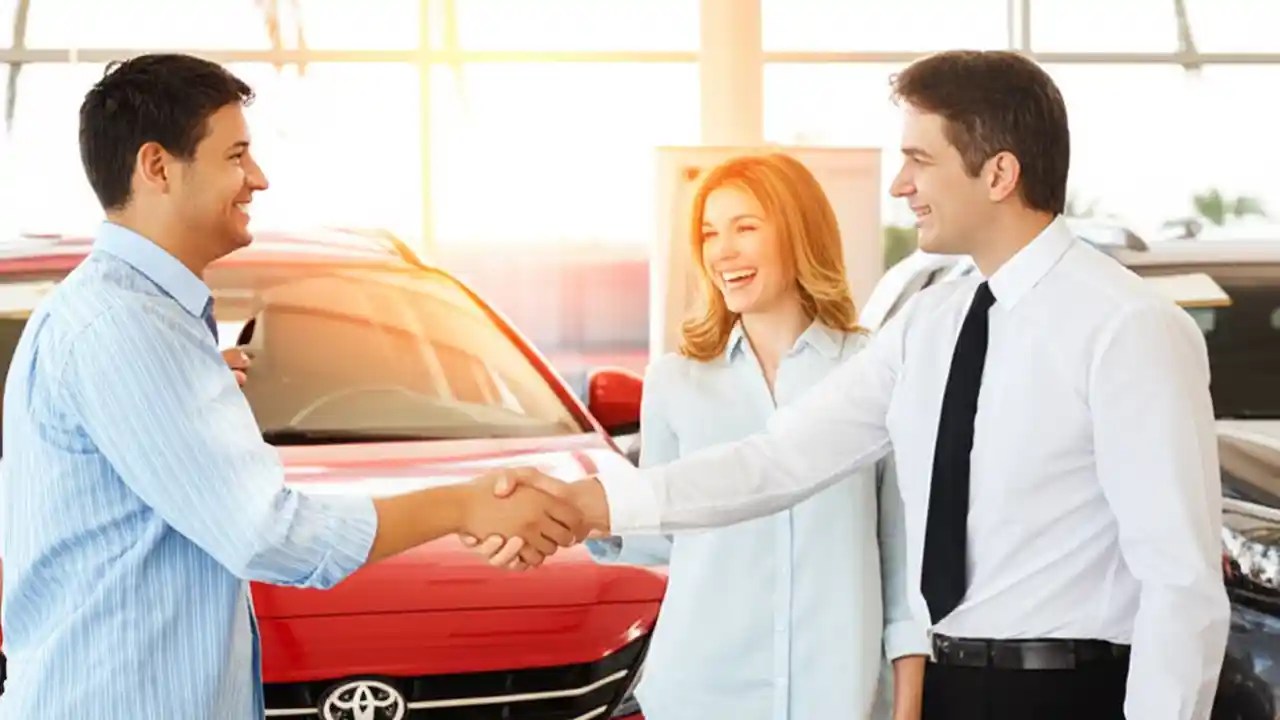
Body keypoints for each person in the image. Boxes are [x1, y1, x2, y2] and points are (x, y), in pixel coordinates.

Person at [479, 50, 1230, 720]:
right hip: (954, 686)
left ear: (999, 172)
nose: (900, 184)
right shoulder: (927, 325)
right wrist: (587, 502)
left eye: (919, 160)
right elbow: (778, 461)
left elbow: (1181, 583)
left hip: (1068, 693)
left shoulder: (1128, 327)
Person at [0, 53, 581, 719]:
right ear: (157, 167)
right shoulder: (124, 328)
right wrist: (462, 505)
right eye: (236, 156)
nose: (259, 179)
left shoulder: (132, 319)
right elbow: (267, 532)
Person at [591, 153, 927, 718]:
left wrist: (907, 705)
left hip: (837, 697)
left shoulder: (872, 372)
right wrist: (585, 516)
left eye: (745, 227)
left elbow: (901, 561)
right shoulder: (676, 381)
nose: (722, 250)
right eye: (709, 233)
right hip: (700, 692)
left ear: (799, 234)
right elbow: (670, 531)